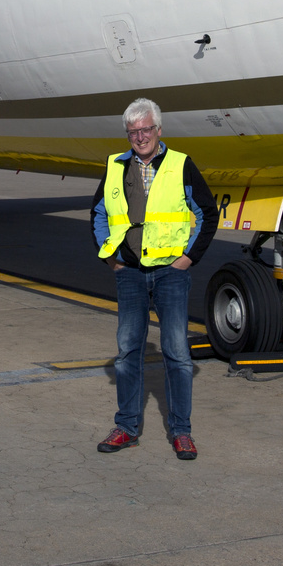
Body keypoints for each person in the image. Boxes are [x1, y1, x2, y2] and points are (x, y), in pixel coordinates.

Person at [89, 97, 218, 460]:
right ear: (128, 134)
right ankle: (127, 427)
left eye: (146, 129)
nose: (140, 137)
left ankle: (181, 431)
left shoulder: (180, 165)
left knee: (177, 353)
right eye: (133, 132)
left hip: (169, 274)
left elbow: (207, 213)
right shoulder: (116, 166)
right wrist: (109, 257)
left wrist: (188, 258)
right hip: (129, 273)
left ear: (159, 130)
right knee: (127, 352)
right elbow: (98, 213)